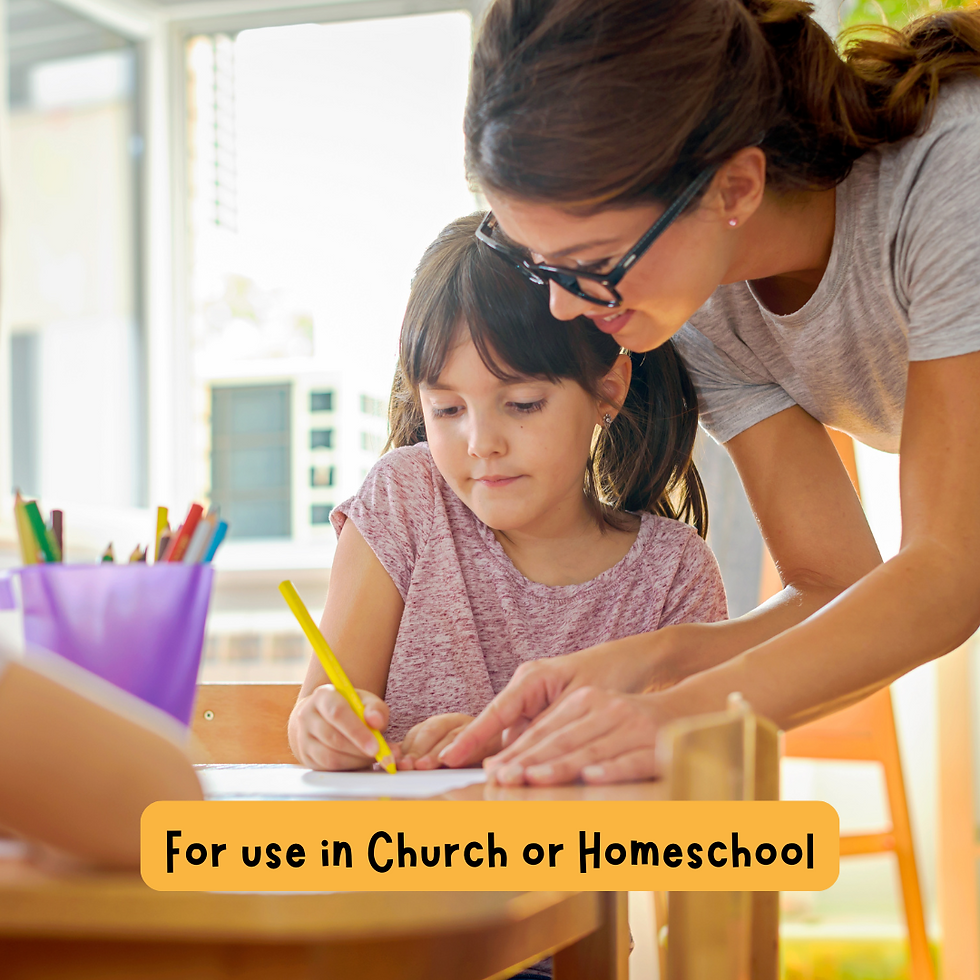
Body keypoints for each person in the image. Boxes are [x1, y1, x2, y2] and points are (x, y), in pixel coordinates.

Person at [437, 0, 980, 785]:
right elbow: (835, 584)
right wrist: (647, 663)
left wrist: (679, 715)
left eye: (593, 263)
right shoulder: (701, 305)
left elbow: (950, 573)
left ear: (736, 187)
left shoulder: (953, 169)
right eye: (542, 264)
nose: (562, 306)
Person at [287, 213, 727, 772]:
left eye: (522, 404)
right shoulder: (406, 499)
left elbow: (704, 773)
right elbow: (319, 715)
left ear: (607, 391)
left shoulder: (674, 572)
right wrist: (321, 729)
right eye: (448, 409)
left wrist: (506, 750)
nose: (481, 444)